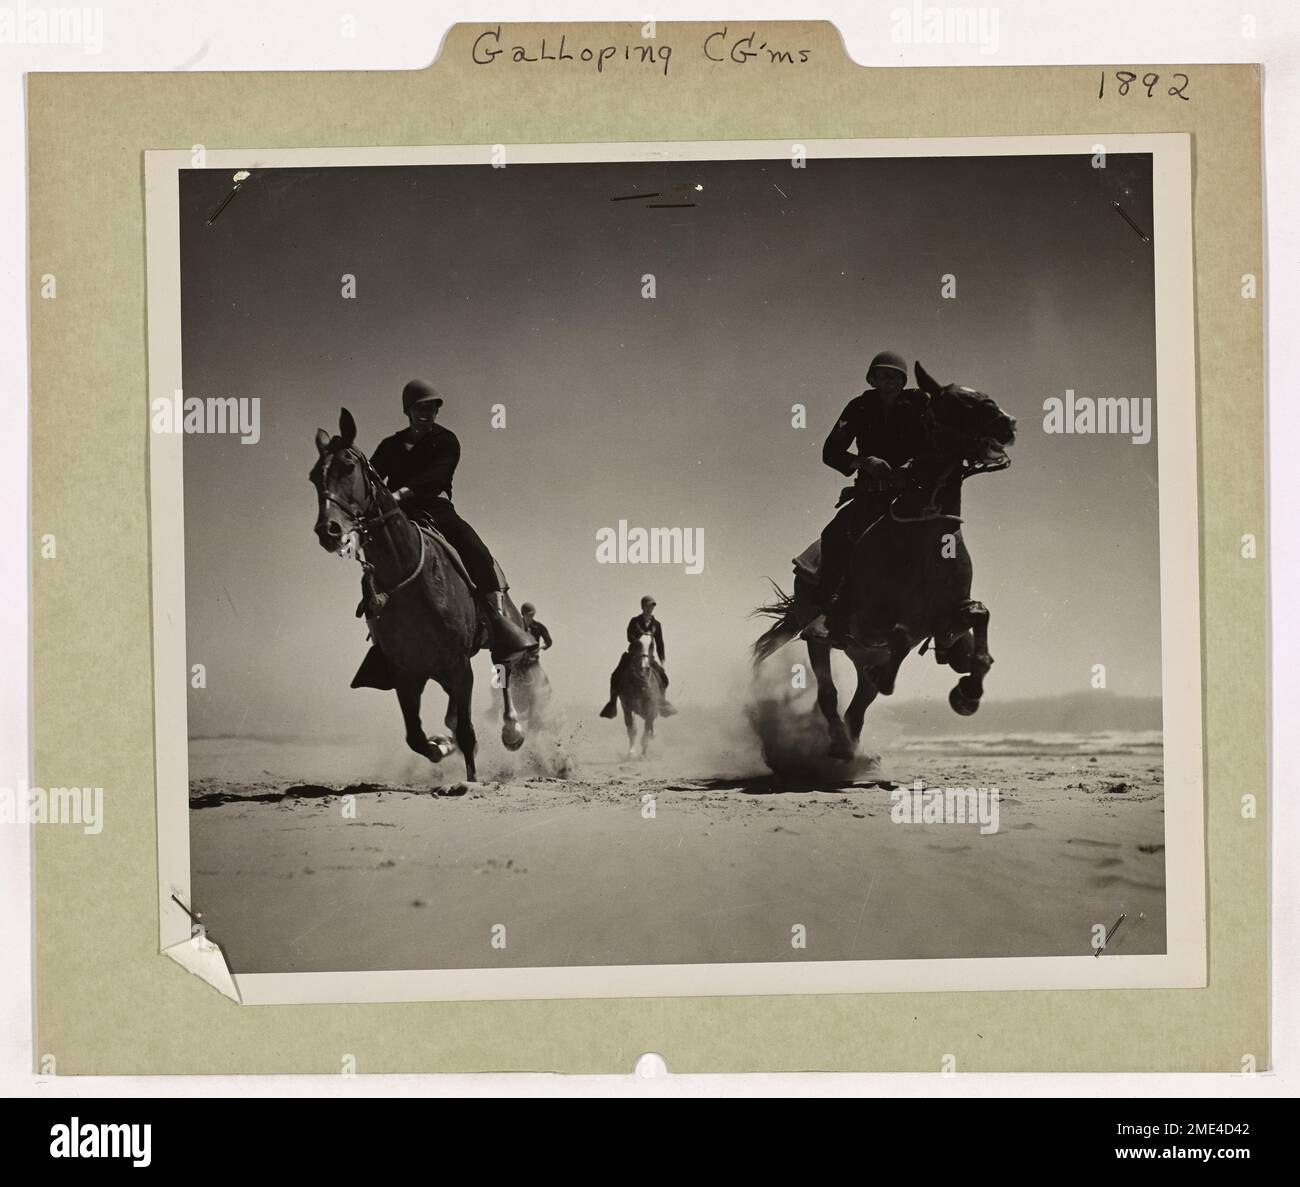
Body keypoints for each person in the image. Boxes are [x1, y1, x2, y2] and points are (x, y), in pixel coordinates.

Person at [370, 379, 538, 664]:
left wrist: (399, 493)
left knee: (477, 552)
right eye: (420, 408)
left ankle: (498, 623)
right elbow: (373, 478)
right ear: (407, 411)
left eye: (432, 409)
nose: (427, 414)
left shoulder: (446, 440)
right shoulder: (390, 445)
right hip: (397, 517)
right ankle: (380, 644)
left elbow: (437, 476)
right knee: (372, 560)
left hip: (435, 509)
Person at [818, 350, 931, 643]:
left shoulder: (920, 403)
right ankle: (828, 615)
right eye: (883, 375)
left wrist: (912, 466)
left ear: (904, 380)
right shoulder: (858, 407)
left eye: (895, 376)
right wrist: (863, 462)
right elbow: (831, 451)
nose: (889, 380)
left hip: (912, 496)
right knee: (832, 537)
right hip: (871, 496)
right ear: (872, 378)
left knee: (943, 540)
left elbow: (937, 444)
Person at [600, 595, 677, 718]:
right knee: (615, 675)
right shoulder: (634, 621)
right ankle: (612, 704)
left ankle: (663, 704)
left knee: (664, 678)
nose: (649, 608)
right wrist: (637, 641)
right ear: (642, 607)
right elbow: (629, 636)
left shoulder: (657, 624)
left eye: (651, 606)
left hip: (649, 658)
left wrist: (662, 659)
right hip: (633, 655)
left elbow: (660, 642)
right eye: (647, 606)